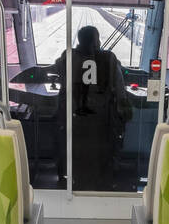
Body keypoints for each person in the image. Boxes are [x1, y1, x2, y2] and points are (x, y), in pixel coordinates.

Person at [54, 26, 132, 190]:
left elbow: (59, 73)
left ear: (79, 40)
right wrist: (125, 111)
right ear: (96, 41)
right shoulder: (109, 59)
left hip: (74, 121)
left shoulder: (67, 57)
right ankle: (104, 183)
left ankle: (71, 180)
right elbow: (120, 89)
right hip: (102, 123)